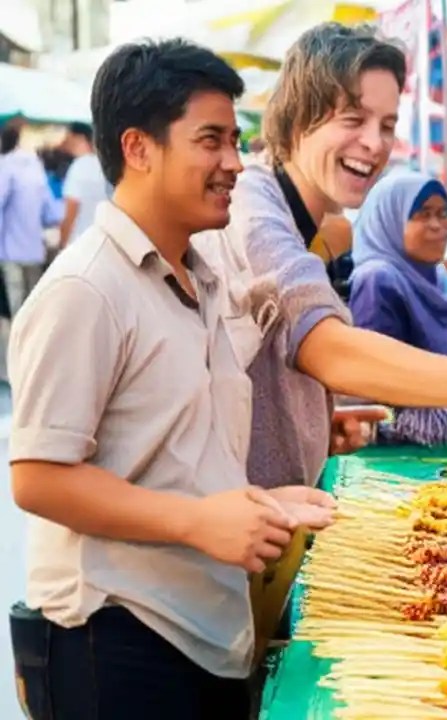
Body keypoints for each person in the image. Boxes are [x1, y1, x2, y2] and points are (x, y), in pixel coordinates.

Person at [7, 39, 334, 718]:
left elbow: (173, 454)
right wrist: (196, 523)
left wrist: (262, 501)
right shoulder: (86, 289)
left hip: (204, 632)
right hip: (117, 642)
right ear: (139, 148)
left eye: (236, 141)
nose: (234, 164)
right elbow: (38, 476)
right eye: (210, 141)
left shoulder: (198, 275)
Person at [195, 23, 447, 493]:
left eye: (386, 125)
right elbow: (323, 347)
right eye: (353, 119)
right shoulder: (254, 205)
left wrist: (315, 422)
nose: (375, 143)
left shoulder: (312, 219)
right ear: (298, 117)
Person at [350, 173, 447, 445]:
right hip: (405, 443)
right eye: (423, 215)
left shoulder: (437, 276)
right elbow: (373, 380)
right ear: (391, 220)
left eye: (443, 214)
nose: (438, 226)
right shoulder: (378, 279)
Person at [0, 122, 60, 313]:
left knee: (16, 300)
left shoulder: (5, 166)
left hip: (9, 249)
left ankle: (18, 342)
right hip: (34, 249)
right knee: (34, 305)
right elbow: (50, 212)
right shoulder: (36, 168)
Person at [59, 121, 110, 249]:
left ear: (80, 138)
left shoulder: (79, 166)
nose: (65, 142)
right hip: (103, 245)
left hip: (78, 246)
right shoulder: (105, 166)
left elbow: (71, 208)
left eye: (68, 137)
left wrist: (62, 243)